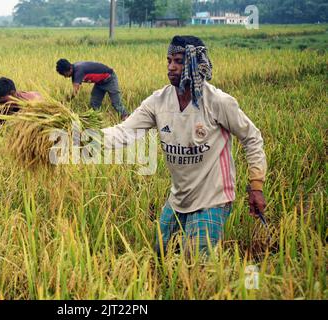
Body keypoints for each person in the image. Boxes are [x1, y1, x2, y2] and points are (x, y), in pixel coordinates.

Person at [99, 35, 267, 256]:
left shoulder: (218, 102)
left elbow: (251, 137)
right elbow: (123, 133)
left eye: (178, 61)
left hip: (213, 197)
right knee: (161, 254)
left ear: (196, 64)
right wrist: (79, 136)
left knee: (196, 261)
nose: (171, 67)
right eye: (169, 61)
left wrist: (256, 185)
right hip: (179, 197)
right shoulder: (158, 102)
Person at [56, 59, 130, 120]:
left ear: (70, 69)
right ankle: (98, 121)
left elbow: (75, 92)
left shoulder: (78, 71)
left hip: (110, 79)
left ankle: (127, 120)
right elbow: (74, 89)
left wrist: (64, 102)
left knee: (116, 104)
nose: (65, 77)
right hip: (99, 83)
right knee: (94, 103)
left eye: (64, 74)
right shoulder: (74, 72)